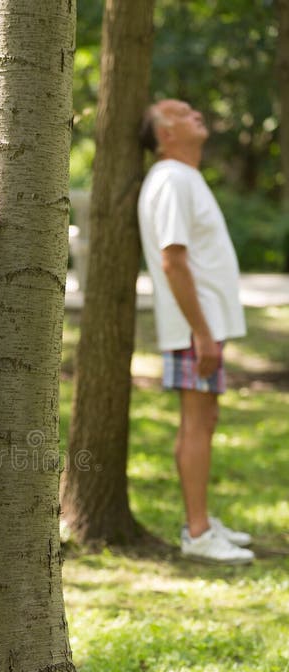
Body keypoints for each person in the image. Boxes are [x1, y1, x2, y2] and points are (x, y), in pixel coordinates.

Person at [138, 99, 254, 565]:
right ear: (165, 134)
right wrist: (201, 332)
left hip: (202, 326)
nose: (195, 114)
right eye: (182, 112)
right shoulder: (169, 179)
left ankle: (202, 522)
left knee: (205, 421)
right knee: (196, 424)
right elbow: (172, 259)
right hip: (194, 328)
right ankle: (198, 532)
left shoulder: (184, 177)